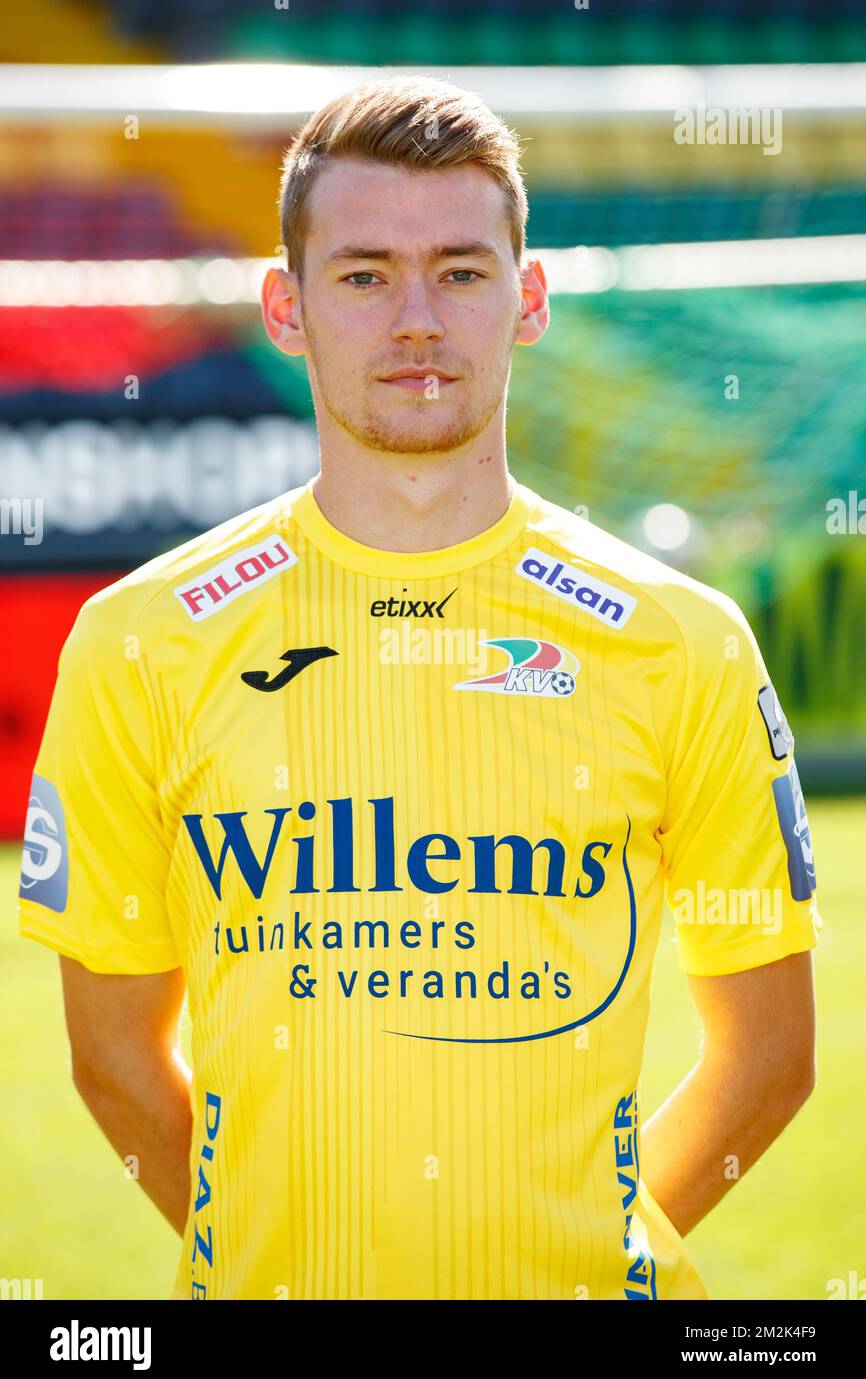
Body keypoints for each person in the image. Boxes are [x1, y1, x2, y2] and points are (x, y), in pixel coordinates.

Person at [18, 75, 821, 1301]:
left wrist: (585, 1255)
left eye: (458, 269)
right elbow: (115, 1054)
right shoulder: (139, 639)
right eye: (360, 274)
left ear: (527, 297)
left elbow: (766, 1058)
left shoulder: (680, 639)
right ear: (285, 309)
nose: (413, 320)